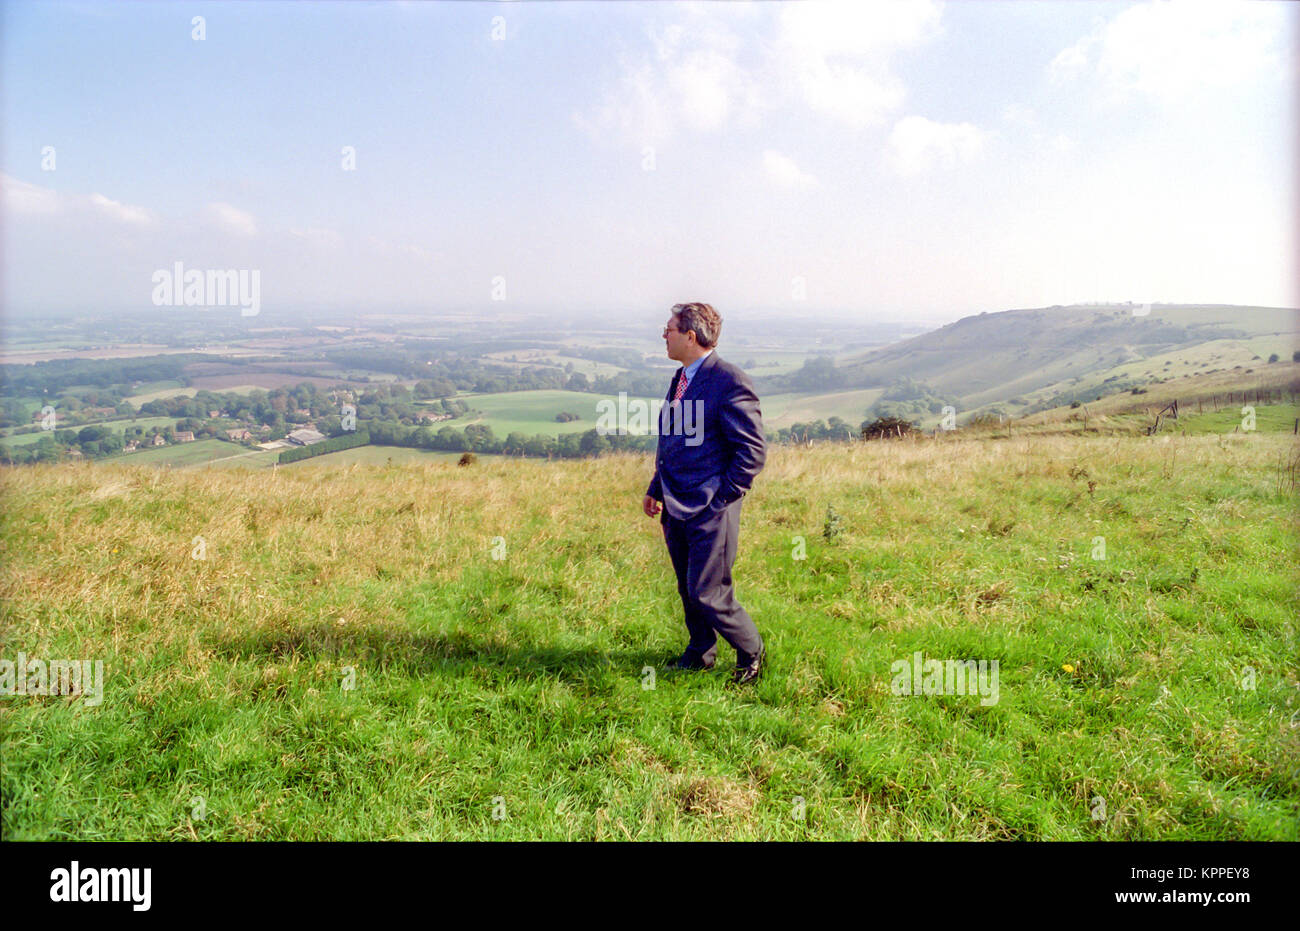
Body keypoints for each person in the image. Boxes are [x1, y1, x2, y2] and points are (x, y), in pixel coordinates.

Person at [642, 303, 767, 685]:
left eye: (669, 329)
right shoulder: (682, 377)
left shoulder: (729, 380)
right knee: (686, 585)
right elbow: (674, 439)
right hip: (676, 501)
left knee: (708, 591)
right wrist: (656, 486)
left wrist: (721, 497)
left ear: (690, 336)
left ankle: (752, 653)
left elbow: (752, 451)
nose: (664, 335)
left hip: (711, 507)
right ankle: (700, 653)